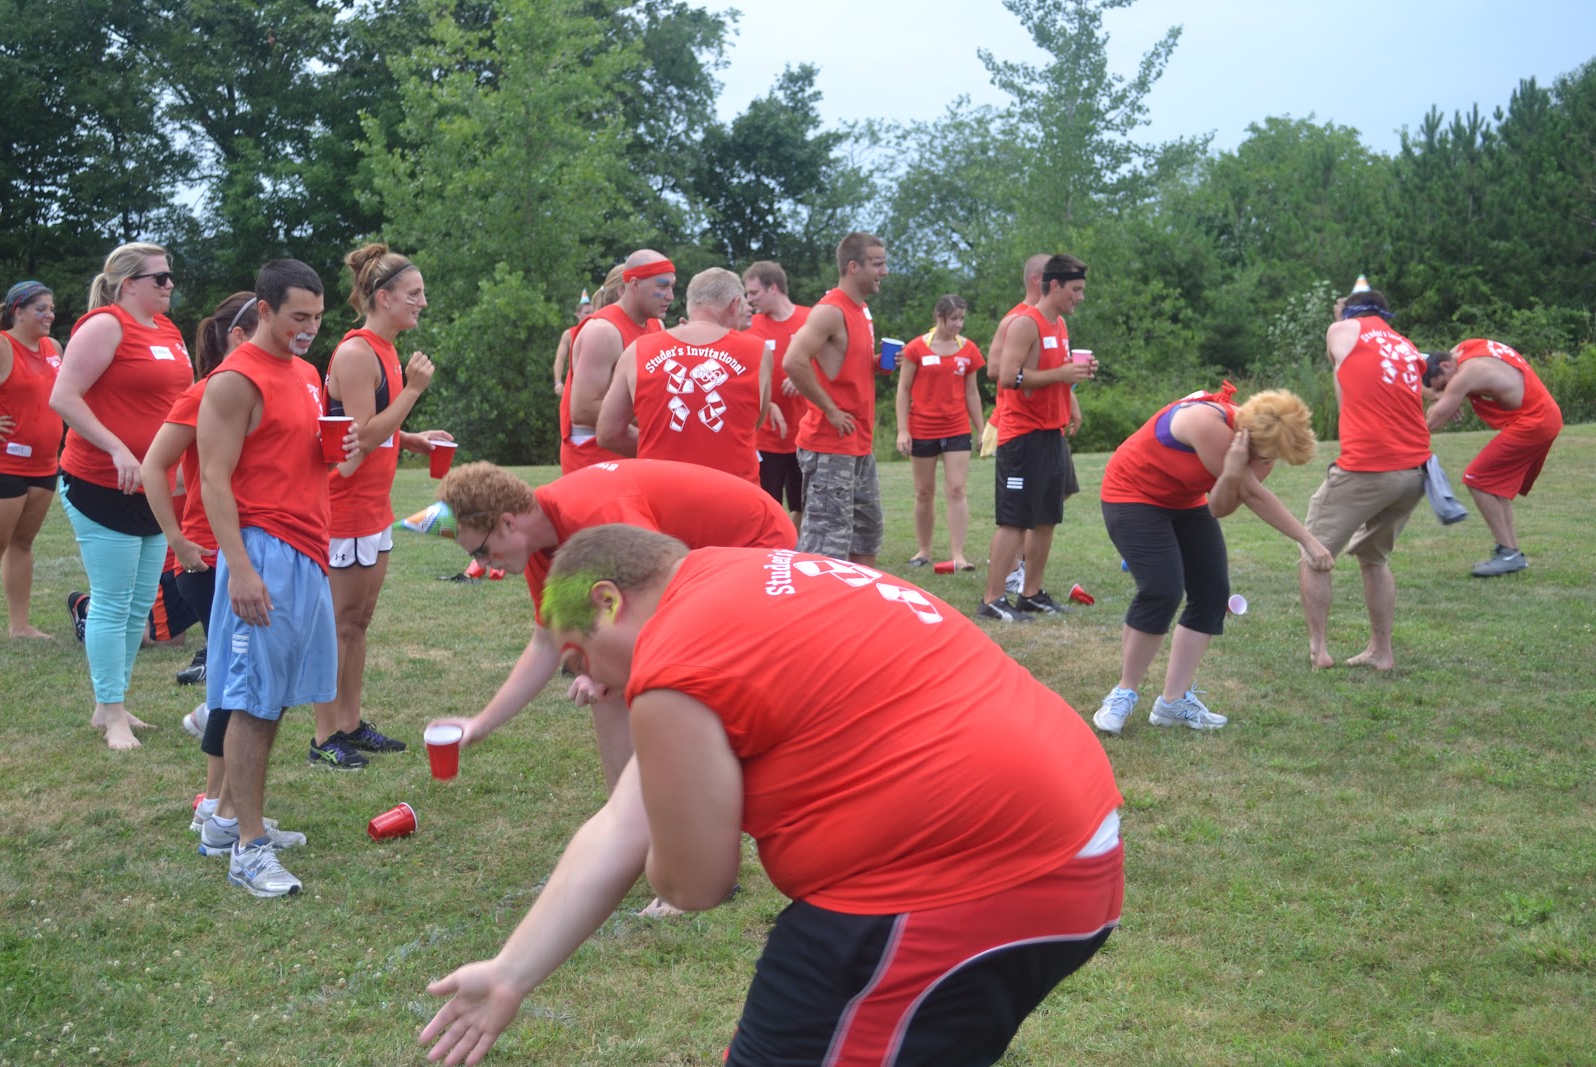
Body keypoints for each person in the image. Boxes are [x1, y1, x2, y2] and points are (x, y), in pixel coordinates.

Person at [421, 525, 1124, 1067]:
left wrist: (671, 841)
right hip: (1062, 839)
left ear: (608, 600)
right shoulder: (732, 576)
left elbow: (693, 882)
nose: (596, 686)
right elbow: (618, 822)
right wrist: (512, 972)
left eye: (579, 657)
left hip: (970, 879)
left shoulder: (674, 659)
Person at [426, 459, 797, 792]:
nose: (486, 565)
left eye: (481, 551)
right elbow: (546, 644)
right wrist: (481, 724)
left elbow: (664, 600)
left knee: (651, 678)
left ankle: (682, 815)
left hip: (755, 545)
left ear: (508, 522)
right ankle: (625, 820)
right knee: (601, 678)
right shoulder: (541, 548)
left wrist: (605, 672)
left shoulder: (597, 514)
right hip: (697, 564)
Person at [197, 259, 343, 897]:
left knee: (276, 692)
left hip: (309, 547)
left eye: (316, 317)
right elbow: (212, 481)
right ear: (263, 310)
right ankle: (248, 850)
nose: (309, 328)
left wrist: (344, 452)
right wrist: (242, 570)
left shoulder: (307, 372)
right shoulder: (234, 380)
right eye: (297, 317)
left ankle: (231, 822)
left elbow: (298, 457)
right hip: (262, 549)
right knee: (253, 700)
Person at [1093, 384, 1334, 734]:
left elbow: (1220, 506)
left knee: (1212, 593)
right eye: (1267, 456)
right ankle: (1123, 693)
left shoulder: (1255, 454)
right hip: (1133, 494)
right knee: (1162, 589)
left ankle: (1172, 703)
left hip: (1184, 501)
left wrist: (1237, 472)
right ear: (1247, 435)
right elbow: (1250, 495)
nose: (1268, 464)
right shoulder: (1205, 423)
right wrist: (1308, 541)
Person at [50, 242, 193, 750]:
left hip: (151, 488)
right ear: (128, 283)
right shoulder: (105, 325)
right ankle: (110, 714)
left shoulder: (170, 332)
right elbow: (63, 397)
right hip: (99, 484)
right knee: (112, 601)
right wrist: (116, 448)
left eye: (170, 277)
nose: (170, 285)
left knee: (138, 607)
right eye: (160, 278)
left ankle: (112, 703)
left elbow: (178, 404)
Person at [314, 244, 452, 769]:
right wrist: (413, 392)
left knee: (358, 622)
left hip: (372, 506)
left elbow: (377, 428)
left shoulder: (387, 349)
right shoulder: (355, 352)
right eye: (414, 294)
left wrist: (413, 439)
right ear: (384, 296)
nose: (422, 302)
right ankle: (325, 734)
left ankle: (350, 723)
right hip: (342, 508)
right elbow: (363, 436)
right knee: (338, 624)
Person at [143, 291, 261, 834]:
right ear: (239, 335)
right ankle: (215, 807)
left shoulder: (257, 388)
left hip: (239, 550)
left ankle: (216, 801)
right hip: (203, 557)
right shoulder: (205, 393)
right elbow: (153, 468)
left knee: (235, 678)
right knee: (235, 684)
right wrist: (178, 540)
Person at [1300, 289, 1432, 671]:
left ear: (1348, 310)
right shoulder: (1405, 344)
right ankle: (1381, 652)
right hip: (1414, 471)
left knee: (1315, 553)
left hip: (1369, 465)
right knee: (1374, 558)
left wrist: (1341, 317)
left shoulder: (1343, 330)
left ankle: (1320, 650)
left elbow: (1337, 360)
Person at [978, 254, 1096, 621]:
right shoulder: (1024, 324)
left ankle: (1031, 593)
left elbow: (1053, 372)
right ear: (1054, 285)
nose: (1080, 297)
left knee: (1046, 517)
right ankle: (993, 600)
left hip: (1051, 433)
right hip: (1022, 436)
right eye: (1075, 290)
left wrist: (1072, 379)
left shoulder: (1058, 324)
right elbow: (1006, 376)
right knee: (1014, 520)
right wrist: (1061, 373)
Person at [596, 267, 772, 484]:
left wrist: (657, 453)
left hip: (661, 491)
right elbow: (753, 423)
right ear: (735, 305)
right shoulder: (758, 351)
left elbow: (608, 433)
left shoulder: (638, 349)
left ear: (692, 303)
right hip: (735, 491)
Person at [782, 233, 889, 565]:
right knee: (825, 545)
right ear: (853, 267)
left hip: (858, 443)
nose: (884, 271)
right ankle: (811, 614)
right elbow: (793, 361)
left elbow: (842, 365)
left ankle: (859, 611)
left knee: (866, 535)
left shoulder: (862, 309)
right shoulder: (830, 311)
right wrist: (830, 410)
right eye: (877, 263)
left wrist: (877, 363)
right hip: (830, 446)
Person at [1422, 339, 1564, 577]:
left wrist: (1403, 440)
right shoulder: (1464, 350)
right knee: (1493, 487)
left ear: (1446, 366)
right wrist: (1445, 396)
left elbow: (1434, 421)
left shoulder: (1468, 373)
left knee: (1477, 479)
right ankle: (1511, 552)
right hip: (1541, 416)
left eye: (1444, 385)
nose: (1445, 389)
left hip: (1534, 421)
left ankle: (1508, 553)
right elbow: (1432, 388)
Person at [894, 295, 985, 571]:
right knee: (924, 492)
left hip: (956, 428)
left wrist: (982, 430)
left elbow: (972, 392)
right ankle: (923, 551)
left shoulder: (968, 350)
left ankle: (958, 554)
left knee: (957, 489)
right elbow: (903, 390)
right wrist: (902, 430)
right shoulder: (916, 349)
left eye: (962, 318)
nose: (959, 324)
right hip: (922, 428)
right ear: (939, 317)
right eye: (954, 318)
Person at [560, 251, 672, 473]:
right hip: (595, 458)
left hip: (632, 452)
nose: (670, 296)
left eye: (672, 287)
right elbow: (583, 409)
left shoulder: (657, 327)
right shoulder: (603, 331)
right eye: (662, 286)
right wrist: (655, 422)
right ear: (634, 285)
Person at [0, 280, 63, 638]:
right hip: (3, 464)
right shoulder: (2, 345)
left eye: (51, 309)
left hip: (44, 464)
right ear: (17, 312)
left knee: (22, 543)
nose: (50, 315)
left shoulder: (53, 346)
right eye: (41, 309)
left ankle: (19, 626)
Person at [743, 261, 811, 526]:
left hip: (805, 434)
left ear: (773, 288)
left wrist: (806, 377)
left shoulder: (810, 319)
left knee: (803, 503)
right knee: (764, 506)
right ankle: (771, 555)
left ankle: (794, 553)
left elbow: (832, 364)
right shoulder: (750, 326)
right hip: (765, 437)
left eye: (753, 293)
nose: (749, 301)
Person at [550, 290, 593, 397]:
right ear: (577, 314)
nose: (591, 315)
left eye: (593, 312)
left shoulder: (601, 332)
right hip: (574, 381)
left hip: (595, 380)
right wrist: (558, 382)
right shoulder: (569, 334)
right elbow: (559, 359)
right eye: (587, 312)